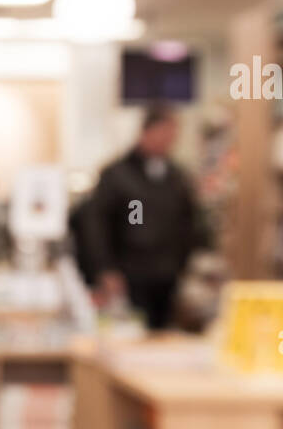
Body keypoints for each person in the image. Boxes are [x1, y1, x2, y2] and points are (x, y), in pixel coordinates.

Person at [81, 105, 206, 330]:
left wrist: (184, 263)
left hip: (167, 276)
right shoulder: (116, 174)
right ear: (147, 132)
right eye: (164, 133)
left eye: (173, 136)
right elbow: (96, 225)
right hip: (128, 276)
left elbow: (188, 223)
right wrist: (104, 268)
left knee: (162, 336)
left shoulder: (177, 177)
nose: (169, 141)